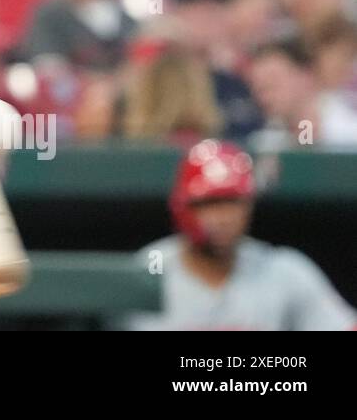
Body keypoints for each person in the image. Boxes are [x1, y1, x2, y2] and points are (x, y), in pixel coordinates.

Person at [126, 140, 356, 330]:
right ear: (182, 207)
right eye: (210, 203)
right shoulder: (149, 268)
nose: (223, 217)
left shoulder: (282, 269)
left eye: (232, 202)